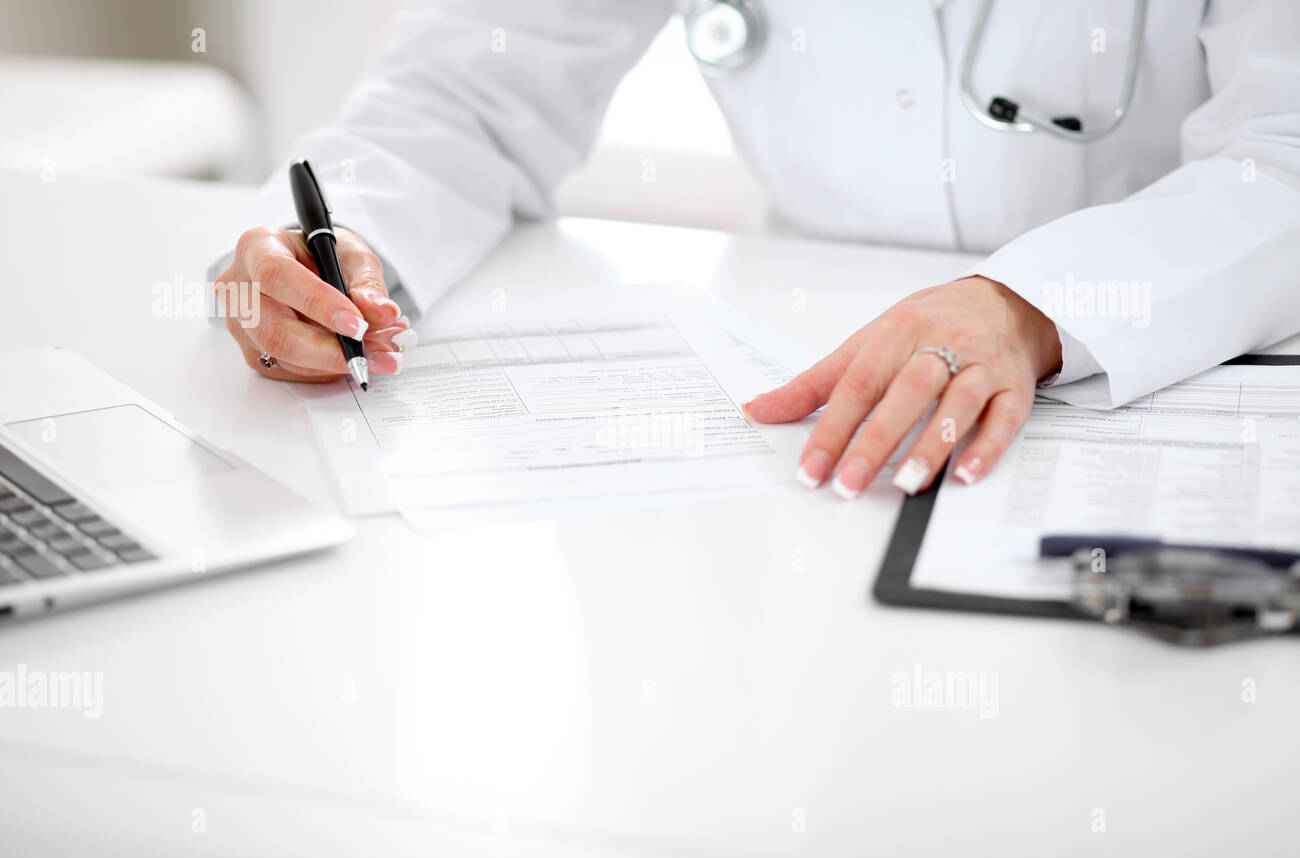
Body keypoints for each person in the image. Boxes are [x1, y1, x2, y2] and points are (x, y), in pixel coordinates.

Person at [216, 0, 1300, 498]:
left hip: (1155, 351)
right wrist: (343, 234)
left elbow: (1284, 151)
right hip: (807, 371)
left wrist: (1028, 305)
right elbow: (471, 84)